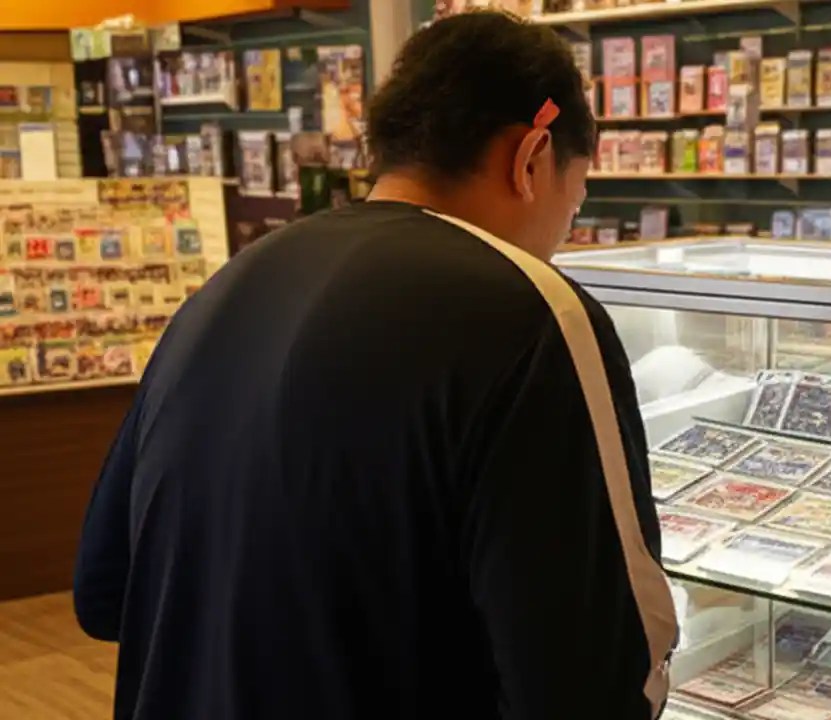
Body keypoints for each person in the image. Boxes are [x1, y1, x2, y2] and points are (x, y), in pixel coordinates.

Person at [73, 12, 675, 720]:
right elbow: (591, 685)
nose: (565, 227)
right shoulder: (533, 314)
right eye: (577, 194)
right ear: (532, 156)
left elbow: (104, 592)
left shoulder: (232, 283)